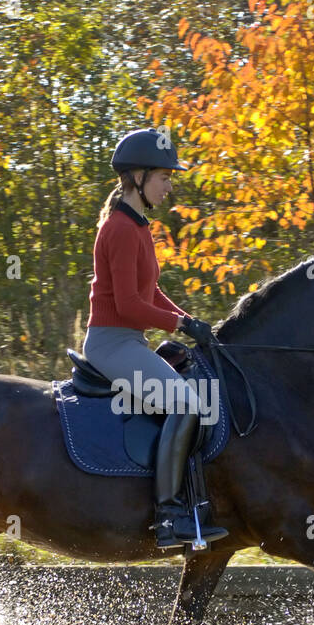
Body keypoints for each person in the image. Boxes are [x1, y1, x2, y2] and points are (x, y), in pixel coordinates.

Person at [83, 128, 227, 549]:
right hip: (112, 343)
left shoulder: (139, 226)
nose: (169, 186)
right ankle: (168, 516)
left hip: (129, 342)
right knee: (186, 403)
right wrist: (178, 326)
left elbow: (151, 294)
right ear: (139, 177)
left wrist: (190, 320)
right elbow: (128, 305)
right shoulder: (121, 230)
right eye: (164, 177)